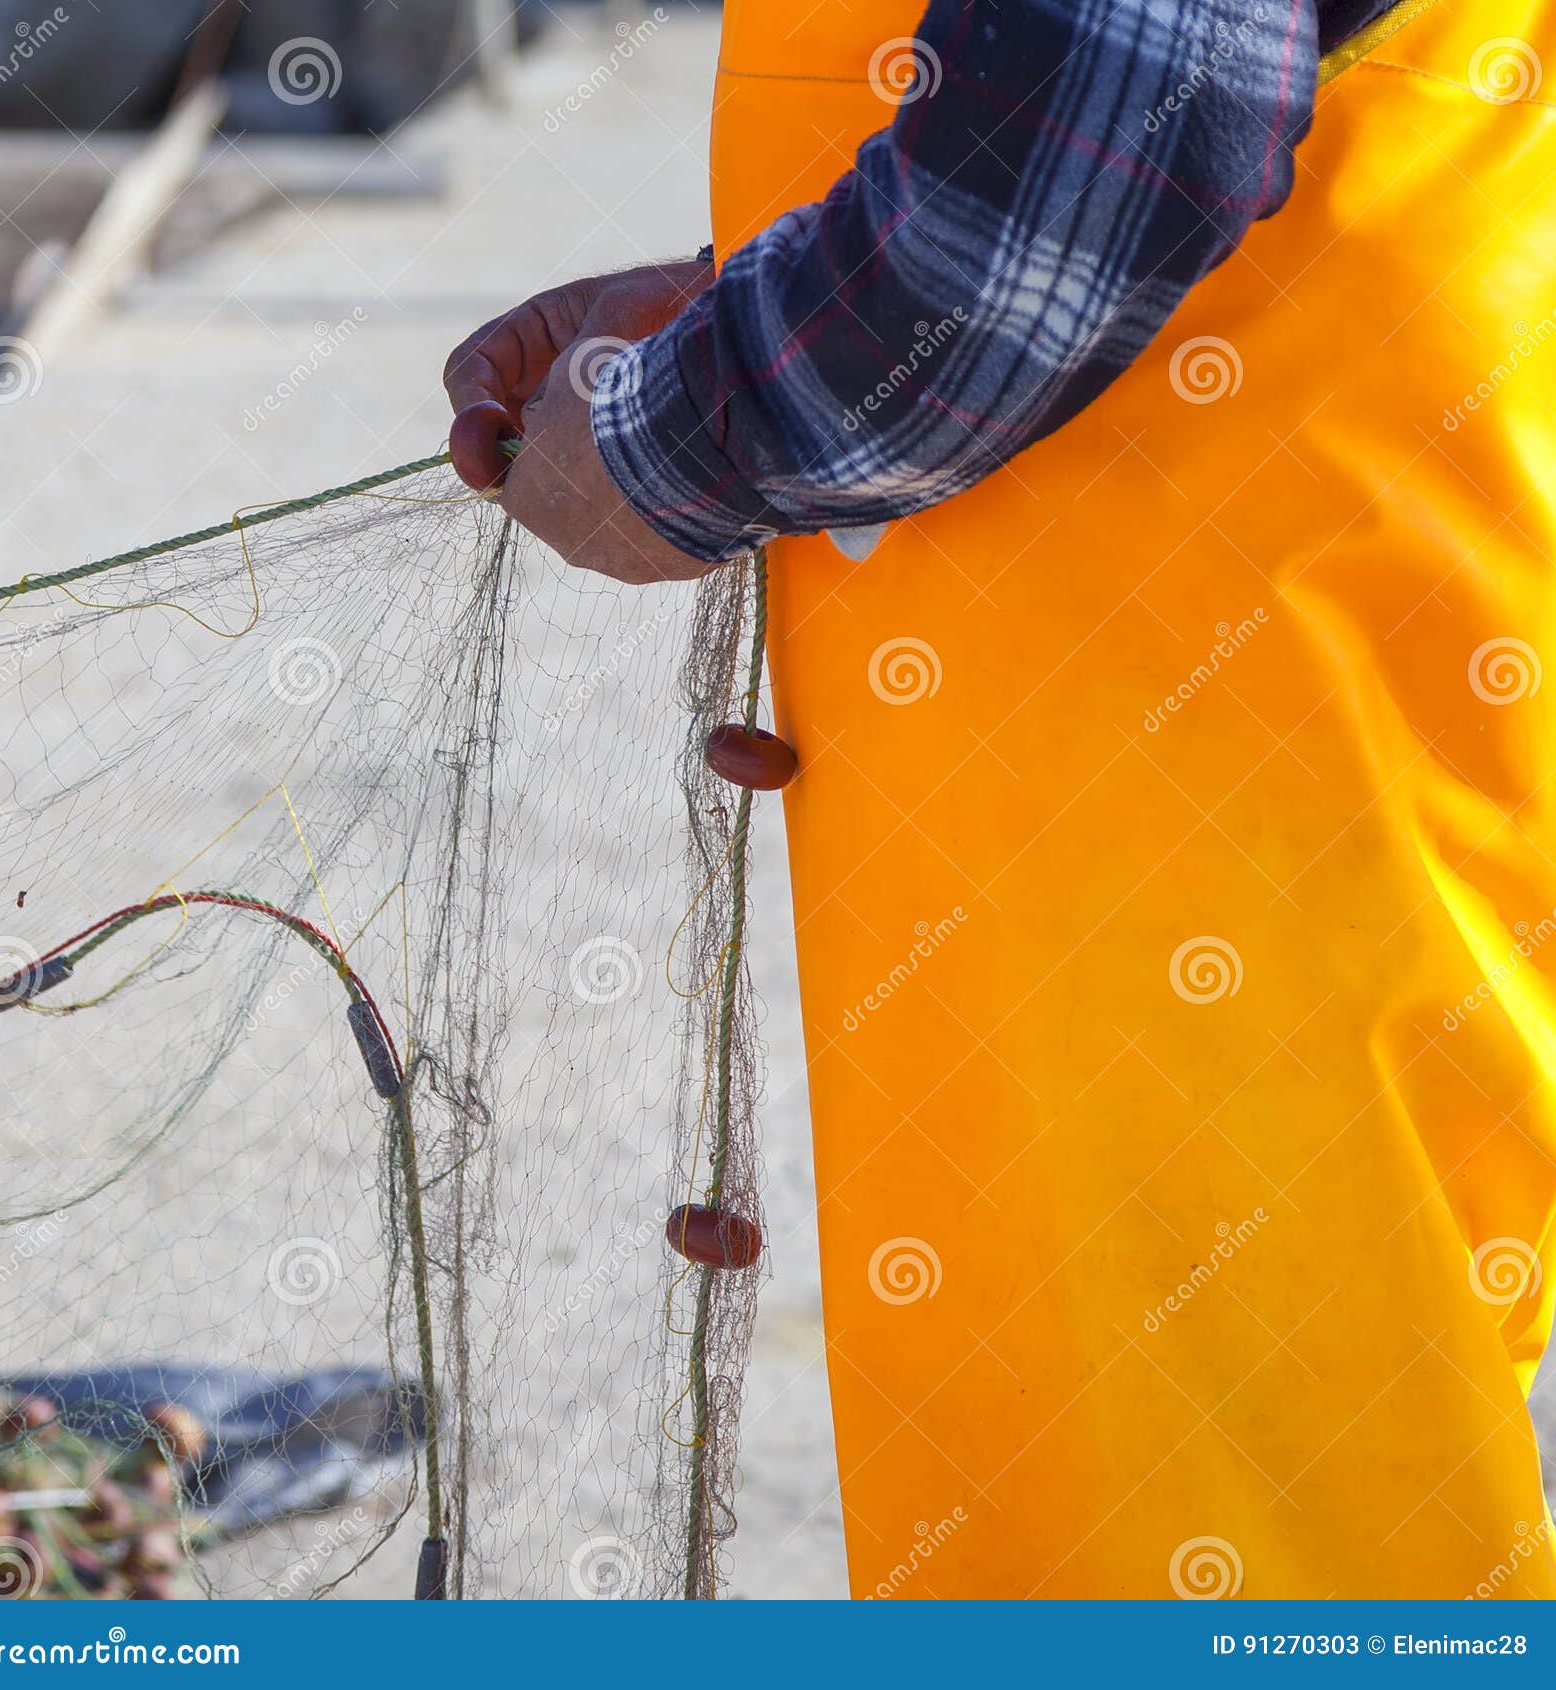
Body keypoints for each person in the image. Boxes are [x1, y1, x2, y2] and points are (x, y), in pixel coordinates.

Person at [447, 0, 1556, 1599]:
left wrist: (679, 432)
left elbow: (1128, 89)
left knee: (1227, 1499)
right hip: (1240, 599)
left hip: (1195, 670)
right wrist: (808, 274)